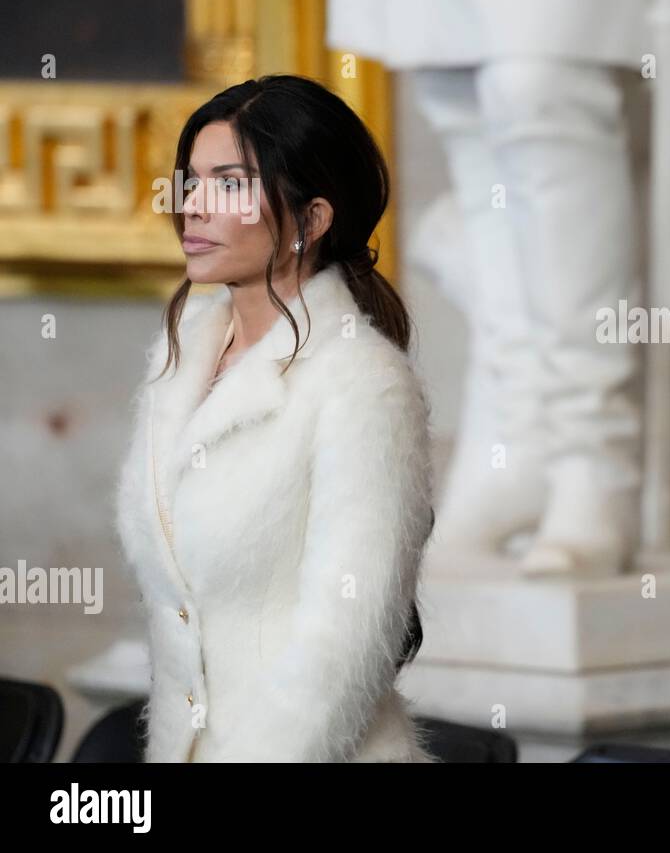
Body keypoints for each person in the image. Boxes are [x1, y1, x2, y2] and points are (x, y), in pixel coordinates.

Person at [115, 75, 436, 761]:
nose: (191, 205)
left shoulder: (362, 383)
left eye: (228, 183)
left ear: (313, 219)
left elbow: (342, 646)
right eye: (191, 180)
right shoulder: (180, 359)